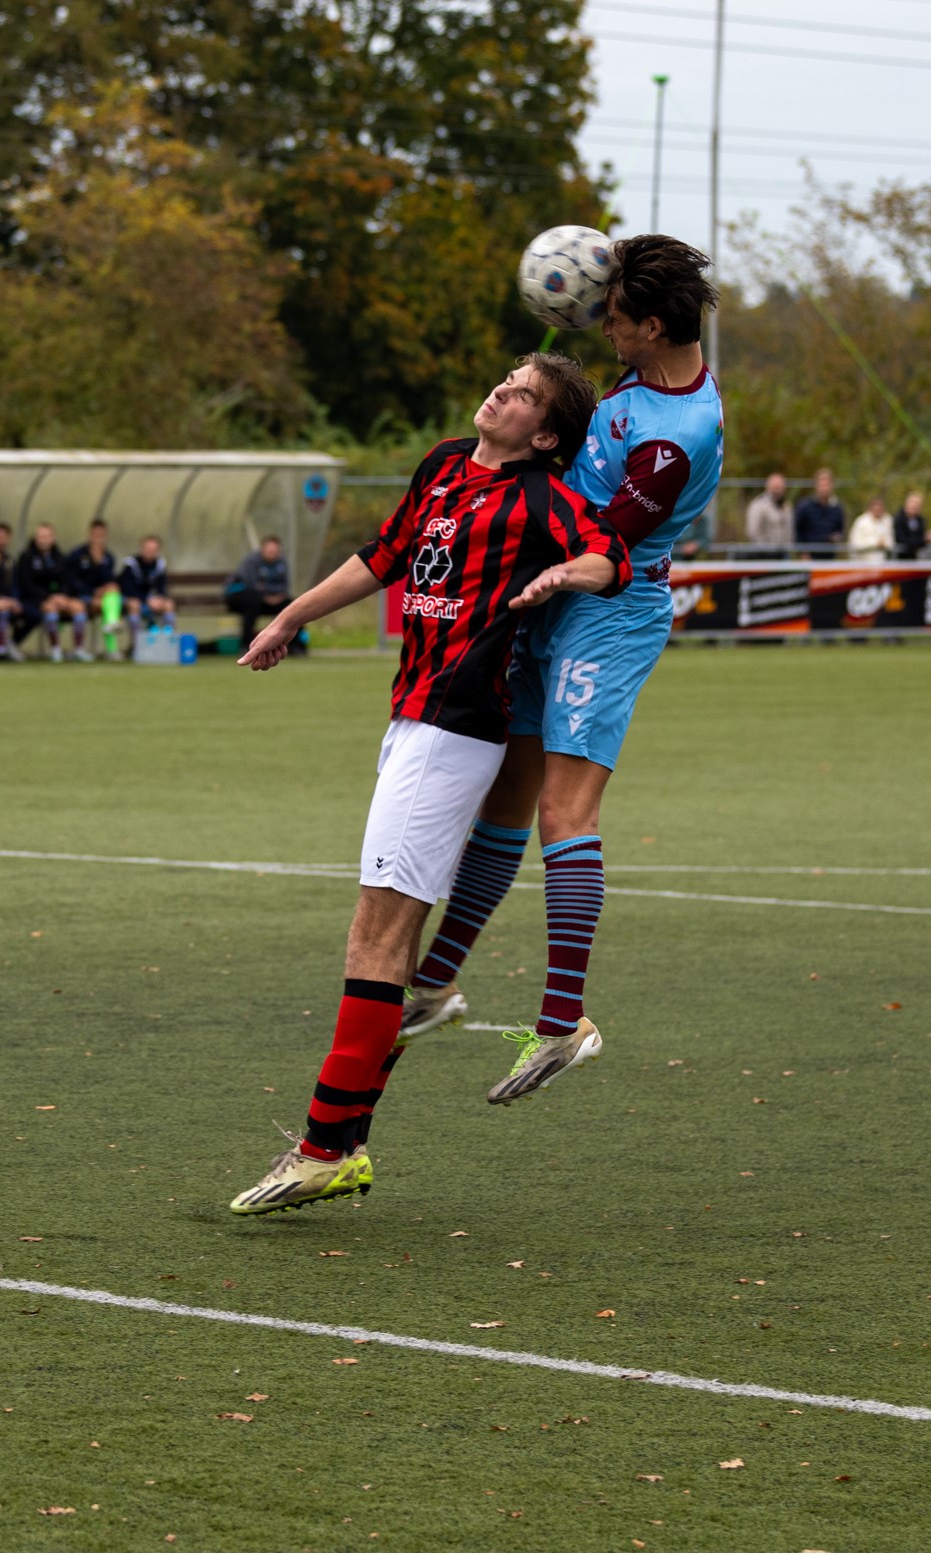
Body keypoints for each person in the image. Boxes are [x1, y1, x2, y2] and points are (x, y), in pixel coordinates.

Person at [227, 353, 630, 1215]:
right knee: (390, 942)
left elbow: (610, 558)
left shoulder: (542, 500)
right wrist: (292, 616)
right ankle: (345, 1141)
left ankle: (325, 1146)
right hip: (411, 717)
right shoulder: (446, 462)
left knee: (376, 935)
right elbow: (386, 554)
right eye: (506, 380)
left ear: (547, 434)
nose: (501, 392)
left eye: (524, 394)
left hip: (456, 730)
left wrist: (567, 573)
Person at [392, 234, 724, 1103]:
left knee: (563, 807)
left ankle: (563, 1020)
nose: (601, 326)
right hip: (555, 604)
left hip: (606, 615)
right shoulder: (647, 378)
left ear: (653, 326)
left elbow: (608, 550)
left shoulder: (676, 439)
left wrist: (552, 574)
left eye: (614, 317)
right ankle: (434, 985)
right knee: (507, 795)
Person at [14, 522, 83, 662]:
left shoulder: (60, 557)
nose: (43, 540)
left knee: (78, 606)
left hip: (58, 598)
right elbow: (27, 584)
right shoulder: (27, 557)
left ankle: (78, 649)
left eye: (46, 536)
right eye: (40, 536)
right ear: (36, 538)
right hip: (36, 599)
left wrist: (62, 596)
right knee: (50, 610)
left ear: (53, 538)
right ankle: (55, 650)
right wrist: (48, 598)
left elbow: (66, 581)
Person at [226, 536, 296, 651]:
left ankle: (295, 646)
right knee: (252, 604)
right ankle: (246, 645)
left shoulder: (282, 562)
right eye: (269, 551)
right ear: (262, 550)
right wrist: (267, 594)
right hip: (242, 599)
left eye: (275, 552)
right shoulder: (251, 561)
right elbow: (252, 585)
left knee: (294, 605)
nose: (272, 554)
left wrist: (269, 592)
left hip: (271, 599)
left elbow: (284, 586)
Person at [66, 520, 122, 660]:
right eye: (95, 535)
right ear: (89, 535)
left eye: (101, 535)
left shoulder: (108, 557)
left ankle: (111, 625)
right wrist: (93, 593)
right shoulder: (76, 555)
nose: (98, 539)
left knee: (112, 593)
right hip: (81, 596)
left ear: (106, 536)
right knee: (109, 605)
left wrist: (99, 563)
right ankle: (111, 648)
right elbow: (71, 582)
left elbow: (109, 580)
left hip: (102, 598)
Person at [118, 534, 178, 653]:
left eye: (153, 550)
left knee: (169, 604)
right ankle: (136, 647)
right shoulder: (131, 564)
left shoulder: (160, 565)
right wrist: (147, 600)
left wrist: (160, 599)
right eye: (147, 549)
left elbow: (162, 588)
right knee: (134, 605)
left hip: (150, 601)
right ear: (141, 549)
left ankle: (168, 644)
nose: (150, 552)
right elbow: (128, 589)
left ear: (158, 551)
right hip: (132, 600)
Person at [792, 468, 845, 554]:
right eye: (822, 484)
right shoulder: (804, 506)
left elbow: (840, 530)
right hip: (809, 556)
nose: (824, 488)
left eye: (827, 484)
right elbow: (798, 530)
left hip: (829, 556)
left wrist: (836, 537)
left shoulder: (837, 508)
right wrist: (802, 552)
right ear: (816, 485)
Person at [743, 473, 791, 557]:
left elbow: (789, 531)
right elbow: (753, 531)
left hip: (783, 554)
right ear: (767, 486)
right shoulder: (758, 505)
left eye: (780, 487)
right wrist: (766, 549)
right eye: (775, 487)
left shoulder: (786, 506)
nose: (777, 490)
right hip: (763, 555)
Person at [847, 497, 895, 562]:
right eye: (876, 506)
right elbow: (855, 544)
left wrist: (885, 544)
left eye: (880, 506)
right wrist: (875, 543)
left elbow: (891, 542)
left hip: (882, 563)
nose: (878, 509)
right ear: (870, 507)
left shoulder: (887, 520)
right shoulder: (861, 521)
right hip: (862, 563)